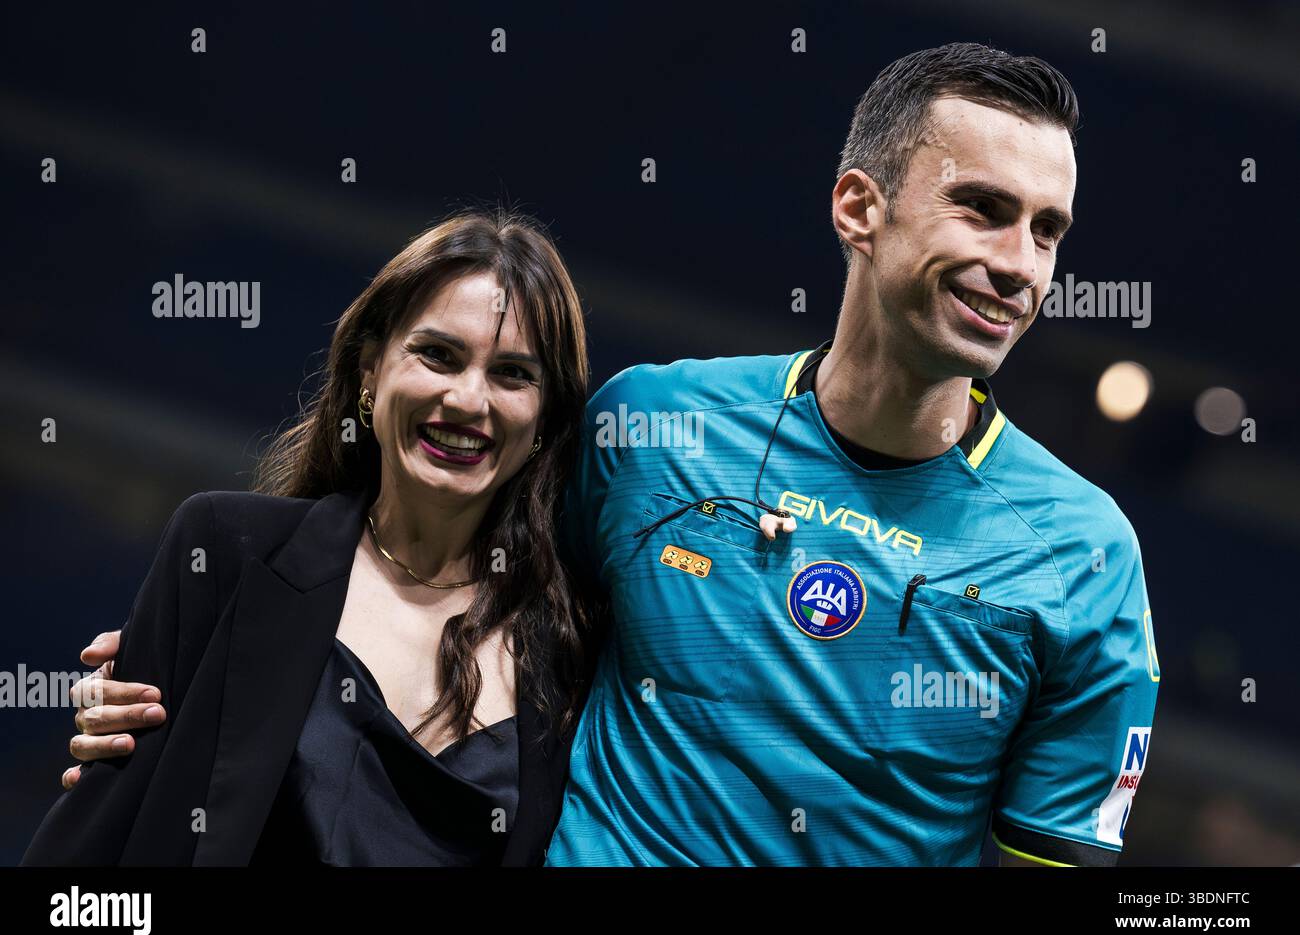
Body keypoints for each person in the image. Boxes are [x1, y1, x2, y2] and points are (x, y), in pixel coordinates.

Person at [50, 42, 1160, 867]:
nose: (1019, 263)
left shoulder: (1083, 556)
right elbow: (451, 559)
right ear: (857, 207)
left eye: (1048, 230)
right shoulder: (651, 427)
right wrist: (218, 658)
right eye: (982, 209)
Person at [24, 210, 595, 865]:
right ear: (370, 370)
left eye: (512, 374)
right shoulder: (226, 555)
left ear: (546, 420)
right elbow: (99, 843)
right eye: (438, 355)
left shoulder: (576, 651)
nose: (469, 400)